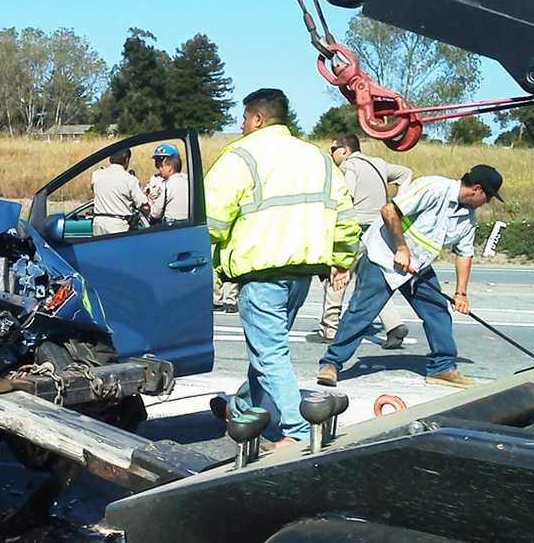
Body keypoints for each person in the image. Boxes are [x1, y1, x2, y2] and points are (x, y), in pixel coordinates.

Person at [205, 88, 360, 445]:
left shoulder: (240, 157)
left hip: (261, 272)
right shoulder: (318, 158)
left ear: (258, 118)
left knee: (270, 353)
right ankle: (242, 405)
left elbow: (211, 219)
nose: (241, 126)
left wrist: (205, 261)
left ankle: (299, 432)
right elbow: (345, 216)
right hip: (302, 273)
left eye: (244, 119)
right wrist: (340, 259)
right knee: (267, 349)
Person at [317, 165, 504, 390]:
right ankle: (331, 364)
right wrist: (401, 248)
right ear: (477, 189)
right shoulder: (433, 187)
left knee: (437, 312)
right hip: (384, 257)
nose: (487, 203)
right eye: (489, 197)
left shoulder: (467, 218)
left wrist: (460, 293)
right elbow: (388, 211)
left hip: (417, 267)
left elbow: (464, 254)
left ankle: (442, 368)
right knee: (360, 314)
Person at [310, 134, 412, 348]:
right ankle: (394, 324)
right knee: (369, 281)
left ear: (345, 150)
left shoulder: (349, 167)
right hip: (378, 231)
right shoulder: (379, 164)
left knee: (338, 275)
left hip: (356, 229)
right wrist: (398, 202)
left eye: (333, 149)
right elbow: (405, 174)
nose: (332, 154)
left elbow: (346, 196)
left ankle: (329, 327)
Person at [90, 147, 149, 236]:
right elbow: (144, 206)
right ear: (126, 160)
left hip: (98, 222)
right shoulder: (130, 180)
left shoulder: (97, 175)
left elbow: (94, 189)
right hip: (118, 225)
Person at [149, 153, 188, 224]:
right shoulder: (188, 180)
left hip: (171, 224)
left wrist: (150, 203)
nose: (160, 169)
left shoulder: (166, 185)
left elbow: (156, 214)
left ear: (169, 167)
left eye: (162, 166)